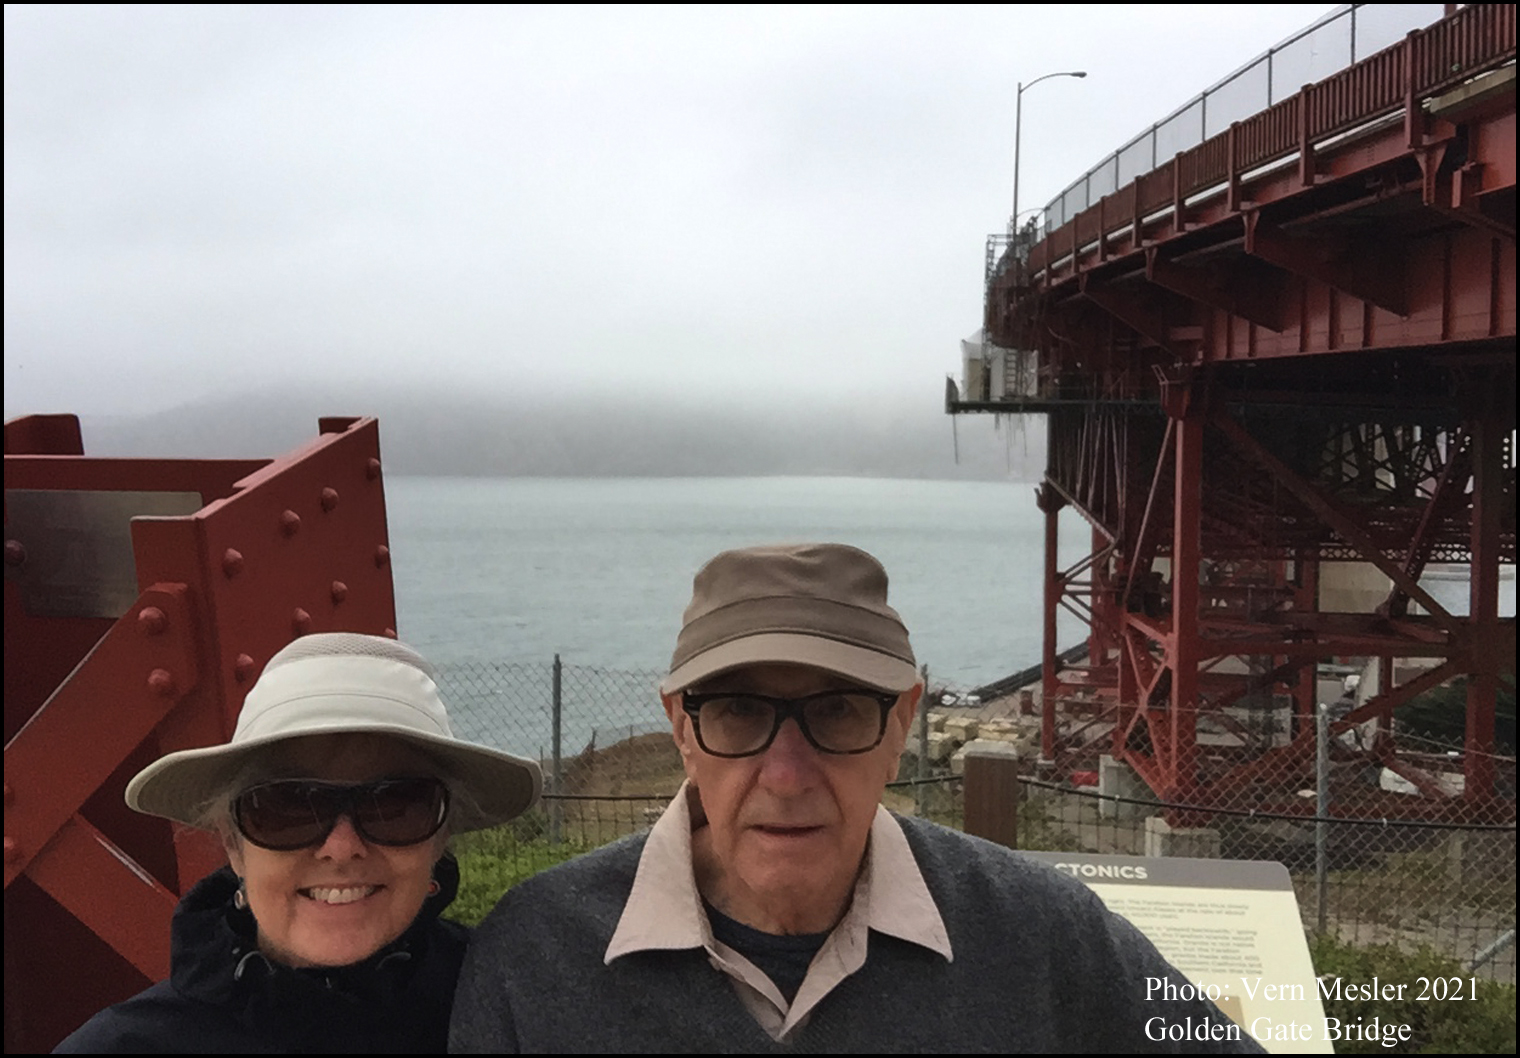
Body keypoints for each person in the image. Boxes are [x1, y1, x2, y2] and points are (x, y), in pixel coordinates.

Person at [452, 543, 1262, 1052]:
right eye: (739, 713)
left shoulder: (1043, 934)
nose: (787, 772)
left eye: (838, 711)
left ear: (903, 721)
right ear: (682, 728)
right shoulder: (535, 954)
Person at [56, 632, 541, 1054]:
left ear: (440, 838)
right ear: (233, 843)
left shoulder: (530, 1010)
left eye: (395, 805)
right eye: (287, 807)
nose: (341, 845)